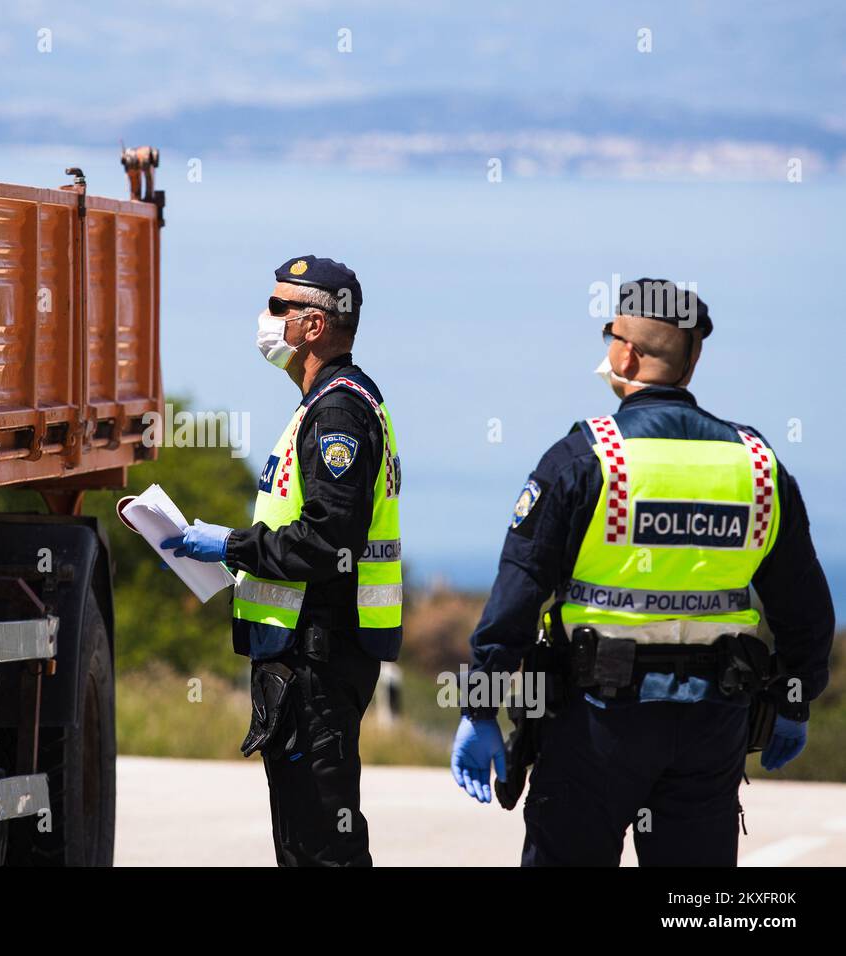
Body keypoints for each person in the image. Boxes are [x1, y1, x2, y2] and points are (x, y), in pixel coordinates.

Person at [450, 278, 835, 866]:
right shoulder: (757, 466)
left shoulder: (584, 458)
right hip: (713, 724)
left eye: (611, 338)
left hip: (594, 727)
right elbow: (806, 612)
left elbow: (515, 597)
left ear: (625, 354)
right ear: (693, 359)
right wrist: (795, 700)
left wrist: (479, 708)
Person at [162, 255, 403, 866]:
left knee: (323, 844)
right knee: (304, 839)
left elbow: (327, 543)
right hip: (306, 654)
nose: (265, 320)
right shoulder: (322, 405)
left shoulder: (338, 412)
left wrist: (231, 546)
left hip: (318, 655)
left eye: (277, 307)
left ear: (315, 326)